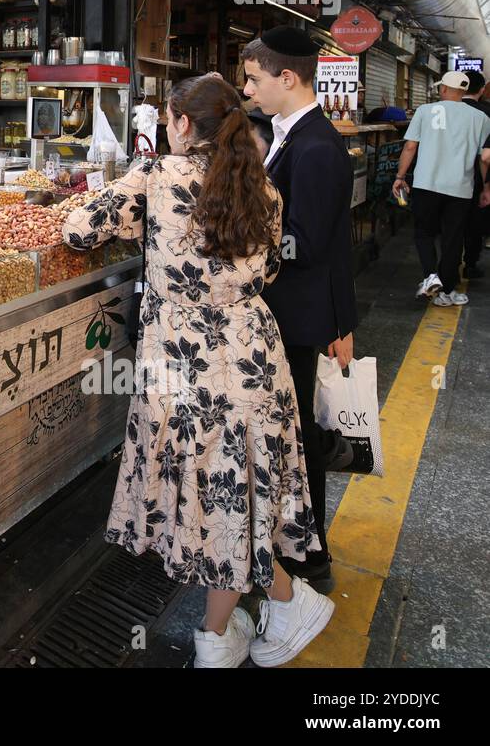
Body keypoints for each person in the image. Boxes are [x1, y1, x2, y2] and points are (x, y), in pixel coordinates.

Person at [63, 75, 333, 668]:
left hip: (181, 365)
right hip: (253, 356)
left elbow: (78, 229)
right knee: (235, 496)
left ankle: (240, 625)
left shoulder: (157, 177)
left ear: (182, 123)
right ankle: (253, 618)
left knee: (208, 500)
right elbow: (265, 273)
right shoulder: (262, 187)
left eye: (168, 119)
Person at [240, 26, 357, 593]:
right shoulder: (291, 134)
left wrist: (244, 242)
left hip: (294, 314)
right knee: (292, 429)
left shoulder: (314, 146)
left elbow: (307, 243)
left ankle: (311, 557)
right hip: (292, 309)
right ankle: (294, 544)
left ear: (287, 78)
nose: (248, 90)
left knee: (298, 433)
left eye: (254, 79)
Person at [392, 70, 490, 305]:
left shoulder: (425, 111)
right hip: (461, 188)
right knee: (453, 238)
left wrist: (400, 176)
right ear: (464, 91)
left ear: (444, 89)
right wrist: (486, 188)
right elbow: (483, 158)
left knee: (424, 232)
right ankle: (447, 290)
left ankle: (430, 276)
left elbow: (410, 147)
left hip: (427, 184)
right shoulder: (482, 119)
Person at [461, 71, 490, 280]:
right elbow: (485, 155)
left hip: (444, 177)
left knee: (451, 223)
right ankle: (470, 263)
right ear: (481, 90)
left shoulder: (440, 110)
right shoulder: (486, 113)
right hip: (476, 177)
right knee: (474, 222)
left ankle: (446, 267)